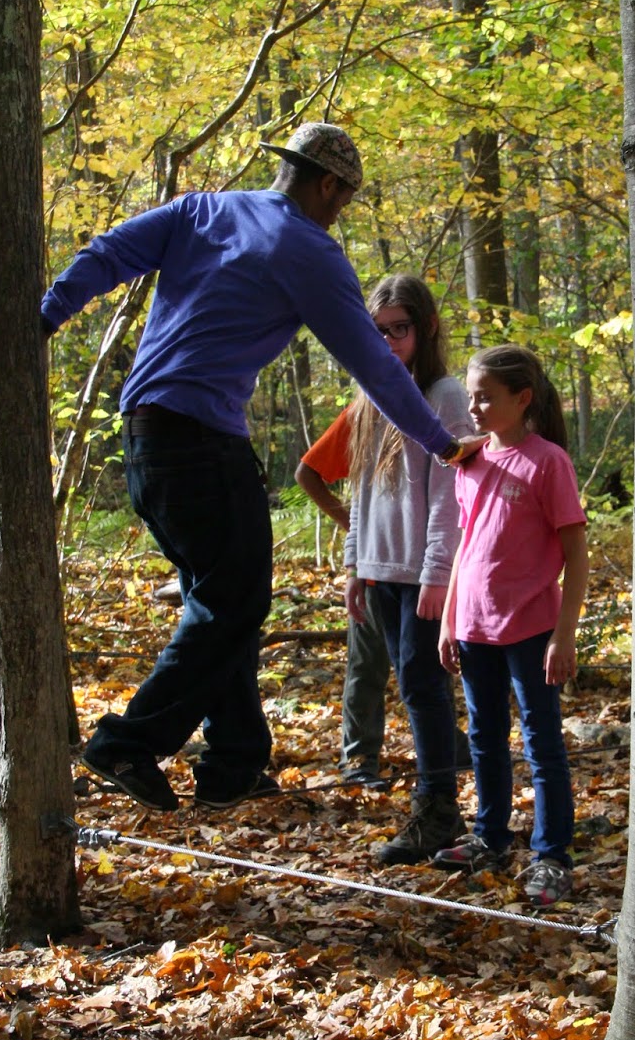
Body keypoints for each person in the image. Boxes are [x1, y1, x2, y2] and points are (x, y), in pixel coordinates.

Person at [40, 123, 473, 815]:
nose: (341, 214)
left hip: (143, 439)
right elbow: (375, 366)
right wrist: (442, 443)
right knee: (234, 602)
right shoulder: (311, 252)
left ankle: (234, 760)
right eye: (343, 199)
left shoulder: (201, 209)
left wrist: (44, 319)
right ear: (326, 184)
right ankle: (129, 741)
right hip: (204, 443)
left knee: (220, 599)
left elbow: (108, 254)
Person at [436, 346, 588, 906]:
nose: (474, 407)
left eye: (485, 397)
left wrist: (564, 633)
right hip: (474, 627)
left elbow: (576, 552)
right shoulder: (470, 462)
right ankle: (490, 838)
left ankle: (551, 856)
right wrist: (450, 620)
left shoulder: (548, 462)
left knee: (542, 743)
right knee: (484, 737)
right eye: (471, 396)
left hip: (530, 628)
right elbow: (465, 547)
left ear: (521, 399)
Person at [343, 275, 474, 864]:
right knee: (409, 685)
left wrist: (438, 571)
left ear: (425, 329)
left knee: (424, 687)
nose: (390, 342)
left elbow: (450, 495)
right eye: (379, 332)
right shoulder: (369, 393)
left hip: (425, 572)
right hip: (381, 569)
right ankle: (436, 798)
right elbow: (363, 492)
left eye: (400, 329)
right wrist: (355, 565)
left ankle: (439, 808)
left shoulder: (445, 395)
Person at [296, 409, 390, 788]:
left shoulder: (444, 400)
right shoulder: (366, 409)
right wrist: (354, 524)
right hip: (371, 564)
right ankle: (359, 754)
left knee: (435, 663)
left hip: (433, 563)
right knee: (367, 663)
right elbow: (308, 473)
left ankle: (448, 749)